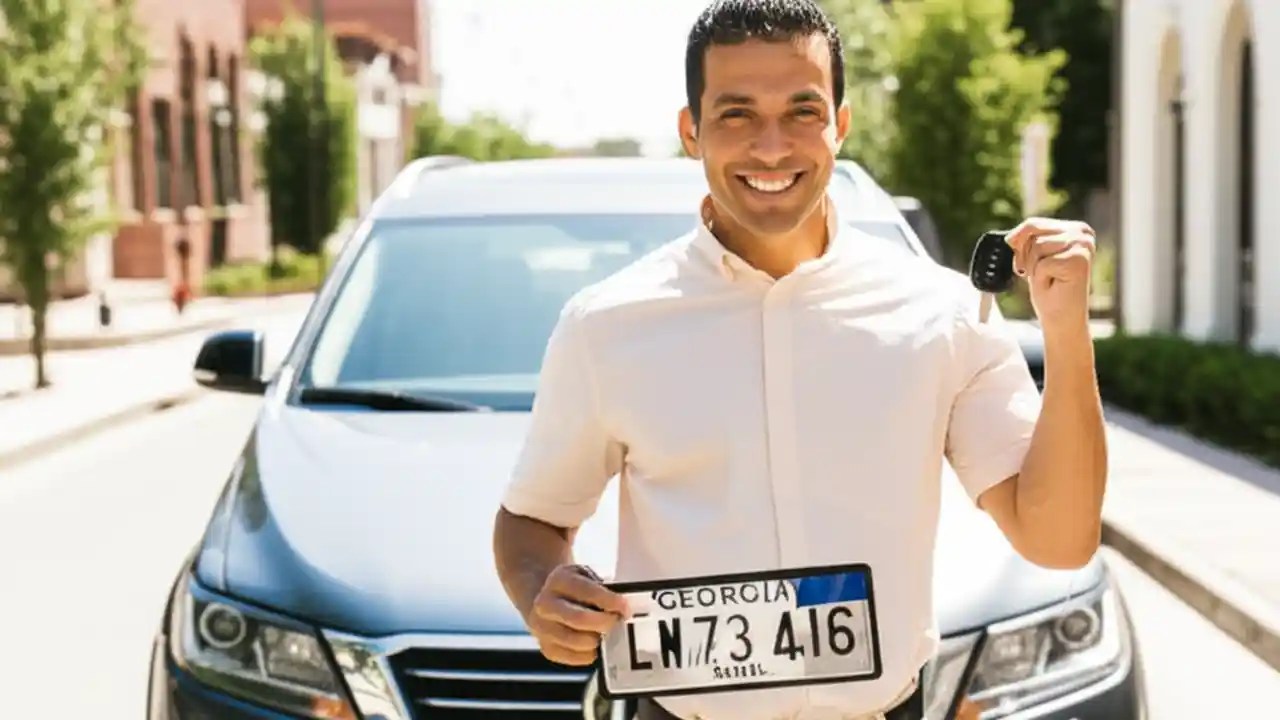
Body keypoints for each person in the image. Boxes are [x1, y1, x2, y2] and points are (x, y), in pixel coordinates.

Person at [491, 1, 1107, 718]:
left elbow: (1059, 539)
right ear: (691, 132)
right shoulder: (605, 326)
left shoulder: (942, 314)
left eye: (802, 111)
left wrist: (1066, 333)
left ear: (840, 124)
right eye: (737, 114)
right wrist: (544, 588)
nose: (772, 147)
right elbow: (530, 522)